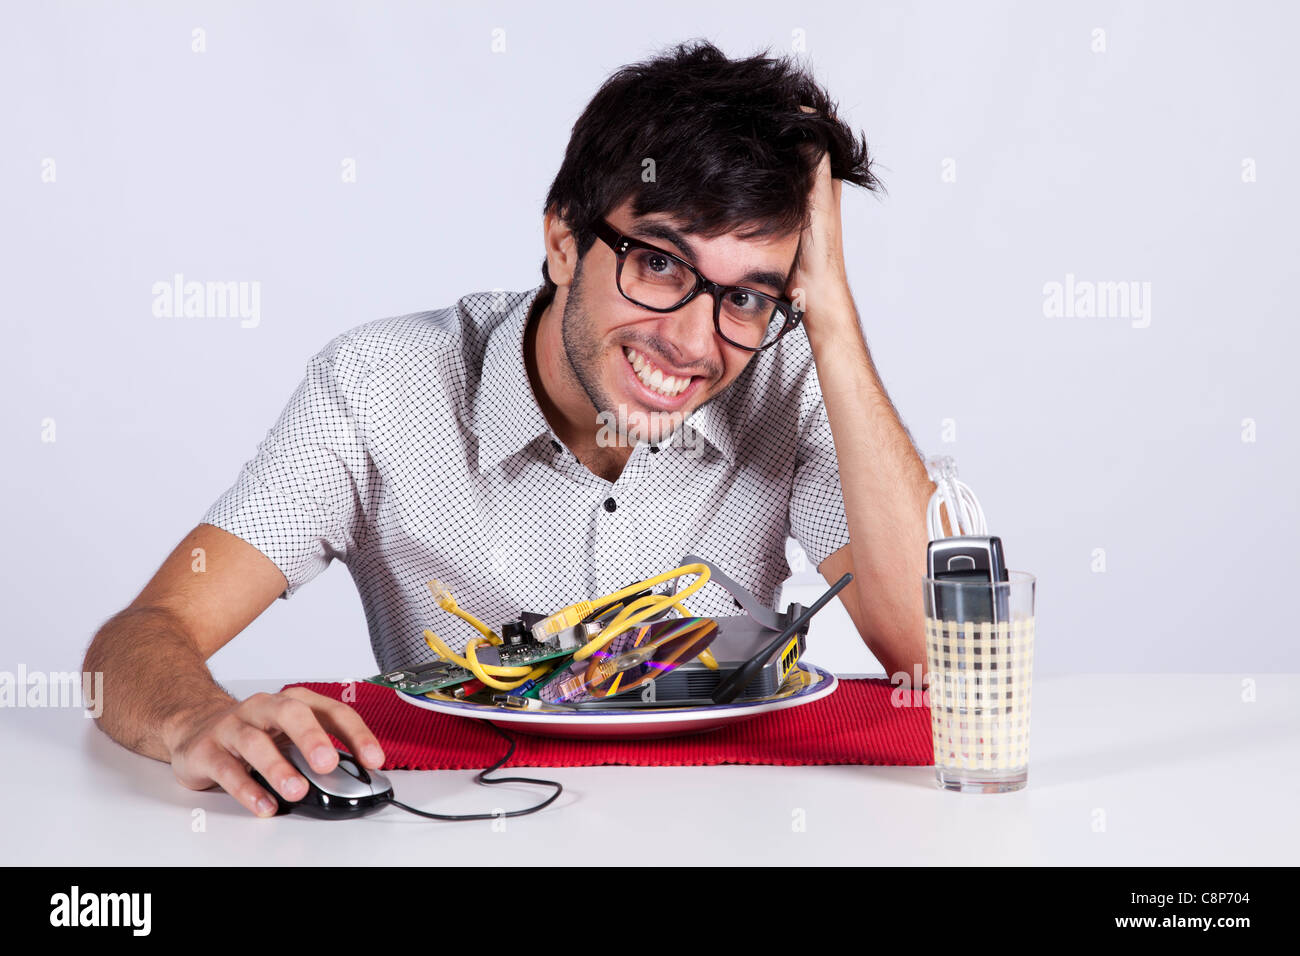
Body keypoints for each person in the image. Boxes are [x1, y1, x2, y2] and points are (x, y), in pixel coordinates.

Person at [83, 39, 938, 818]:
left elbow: (935, 664)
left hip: (724, 831)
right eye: (658, 263)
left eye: (747, 295)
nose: (689, 341)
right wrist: (196, 719)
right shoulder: (380, 385)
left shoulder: (786, 375)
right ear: (563, 241)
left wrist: (829, 315)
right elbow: (136, 640)